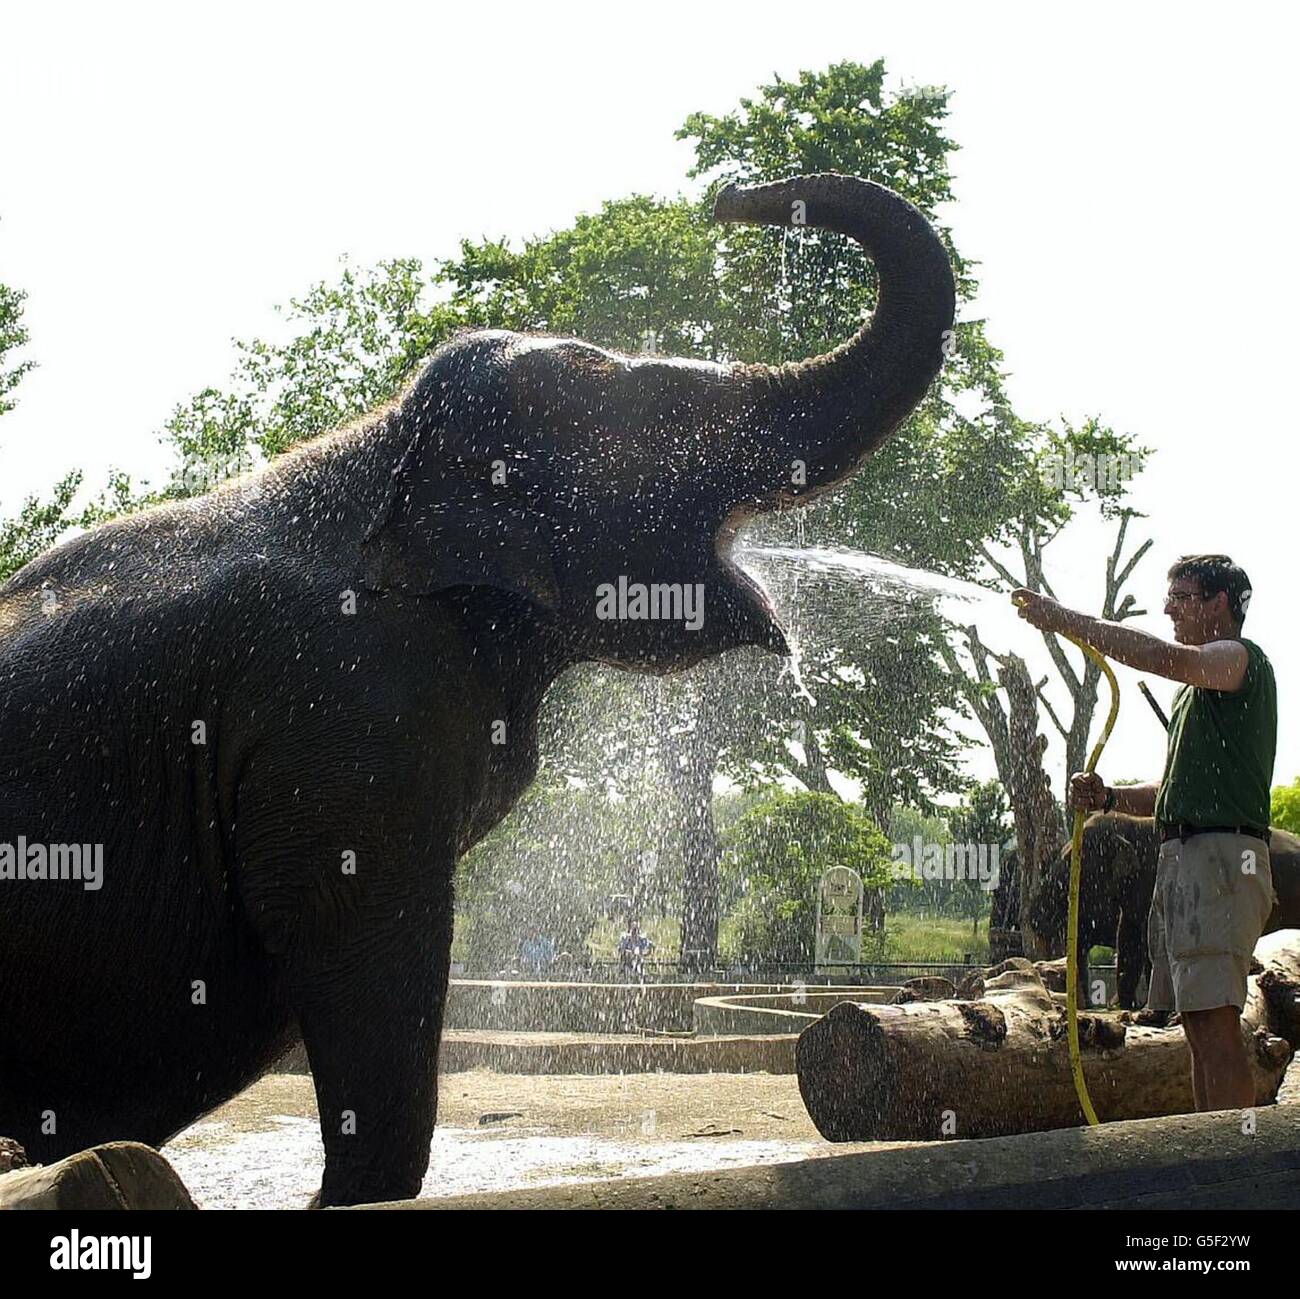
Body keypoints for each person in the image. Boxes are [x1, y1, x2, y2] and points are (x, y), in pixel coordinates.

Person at [1014, 555, 1277, 1112]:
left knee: (1215, 1023)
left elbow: (1162, 656)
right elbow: (1173, 791)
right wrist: (1111, 799)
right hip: (1187, 855)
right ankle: (1214, 1154)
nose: (1168, 609)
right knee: (1197, 1027)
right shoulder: (1196, 695)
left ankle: (1235, 1165)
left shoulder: (1237, 659)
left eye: (1181, 597)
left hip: (1221, 860)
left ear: (1219, 604)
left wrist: (1066, 620)